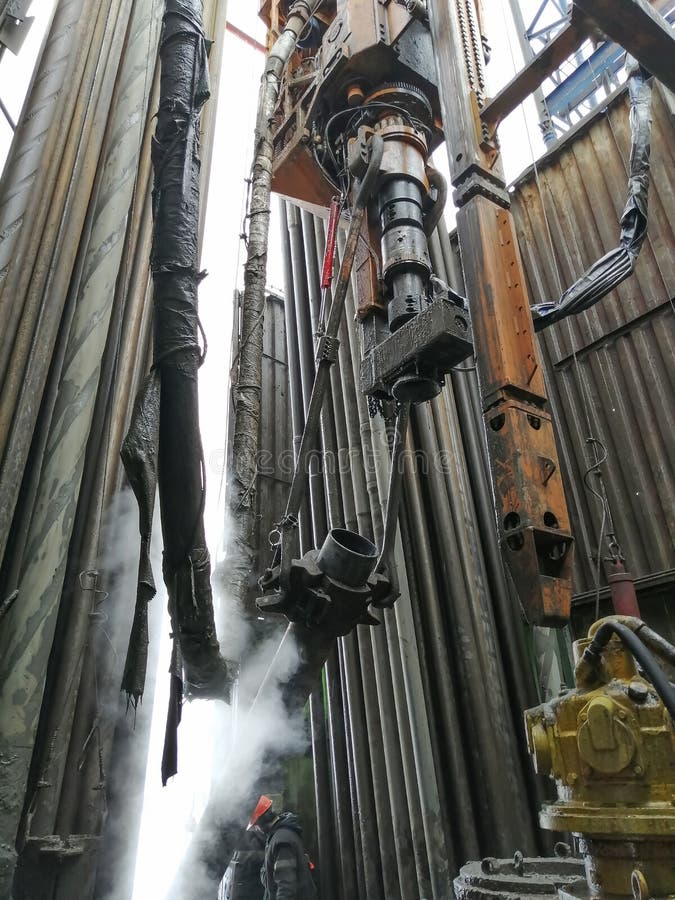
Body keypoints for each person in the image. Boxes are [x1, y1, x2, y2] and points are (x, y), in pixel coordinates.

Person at [247, 796, 317, 900]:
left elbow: (286, 888)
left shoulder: (281, 841)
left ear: (261, 823)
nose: (257, 830)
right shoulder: (276, 838)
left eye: (256, 826)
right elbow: (268, 877)